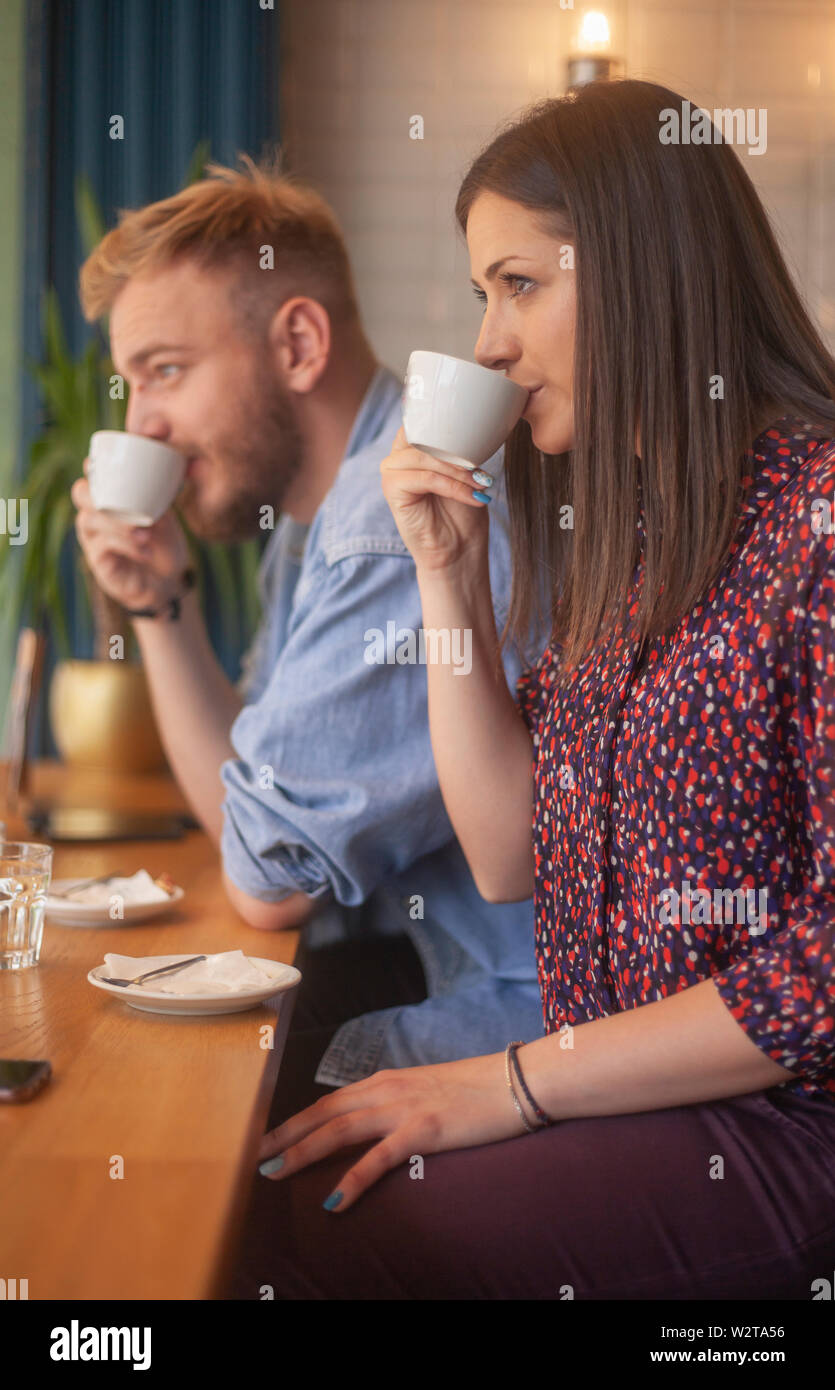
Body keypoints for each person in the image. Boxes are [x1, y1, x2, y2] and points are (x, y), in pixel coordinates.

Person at [231, 79, 835, 1301]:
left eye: (519, 284)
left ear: (647, 265)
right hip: (627, 1095)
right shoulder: (640, 542)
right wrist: (447, 580)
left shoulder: (814, 526)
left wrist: (510, 1085)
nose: (489, 346)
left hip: (782, 1125)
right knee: (268, 1179)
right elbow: (512, 856)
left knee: (315, 1232)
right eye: (482, 295)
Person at [71, 156, 544, 1133]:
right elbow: (249, 810)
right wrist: (159, 605)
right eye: (130, 383)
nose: (140, 422)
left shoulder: (381, 517)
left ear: (296, 343)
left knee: (143, 1110)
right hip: (417, 963)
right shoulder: (308, 523)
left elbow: (267, 878)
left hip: (502, 1005)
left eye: (165, 370)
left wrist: (260, 846)